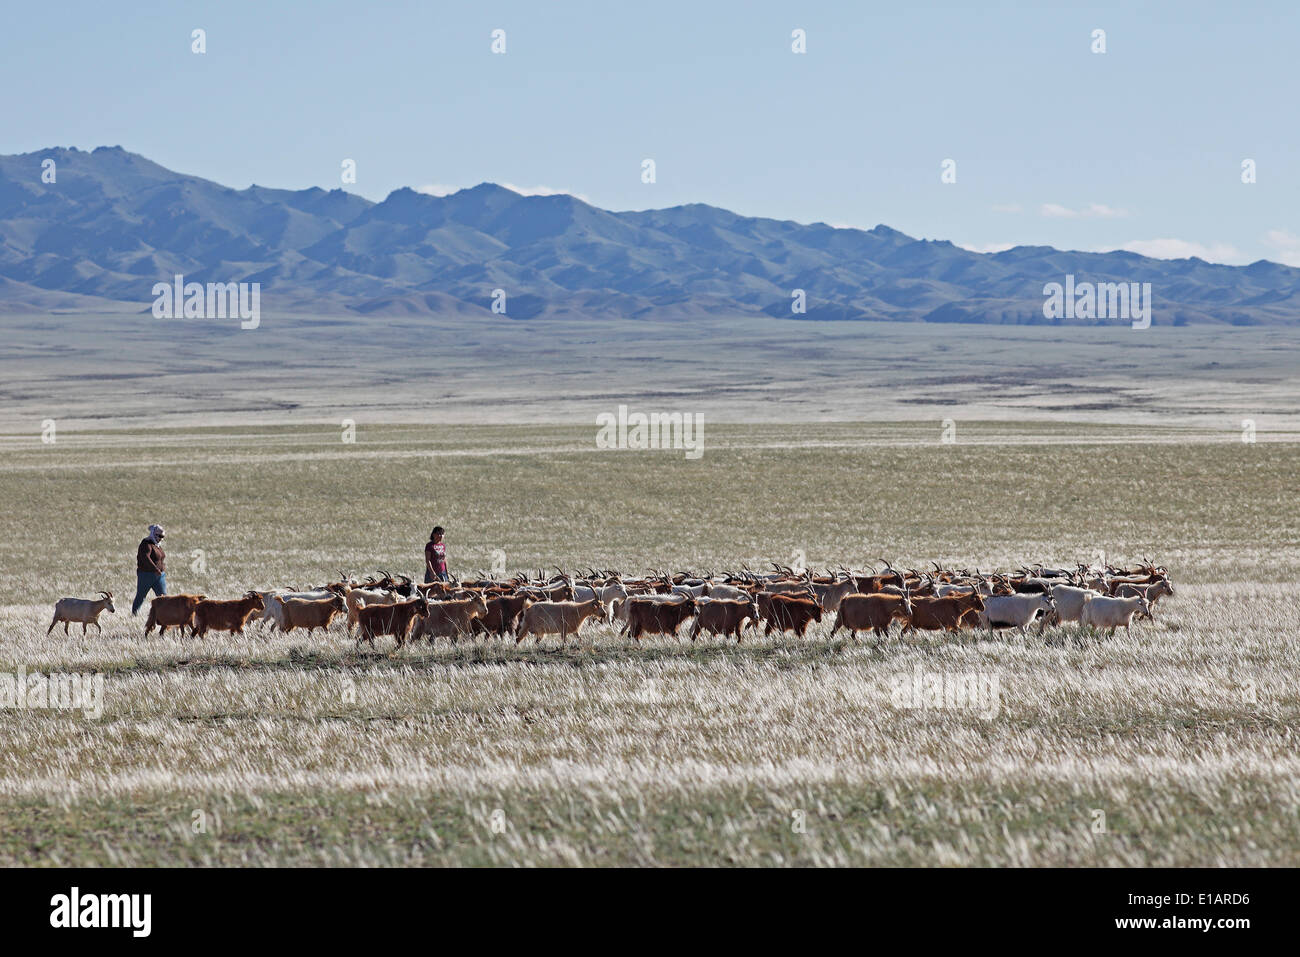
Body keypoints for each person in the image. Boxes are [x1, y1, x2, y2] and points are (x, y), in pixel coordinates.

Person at [132, 523, 167, 615]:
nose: (161, 538)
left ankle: (164, 615)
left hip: (159, 576)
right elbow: (145, 557)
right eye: (159, 536)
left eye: (163, 536)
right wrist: (155, 569)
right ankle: (134, 614)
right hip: (146, 574)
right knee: (141, 596)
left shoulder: (157, 545)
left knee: (163, 596)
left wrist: (162, 569)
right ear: (153, 534)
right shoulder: (146, 544)